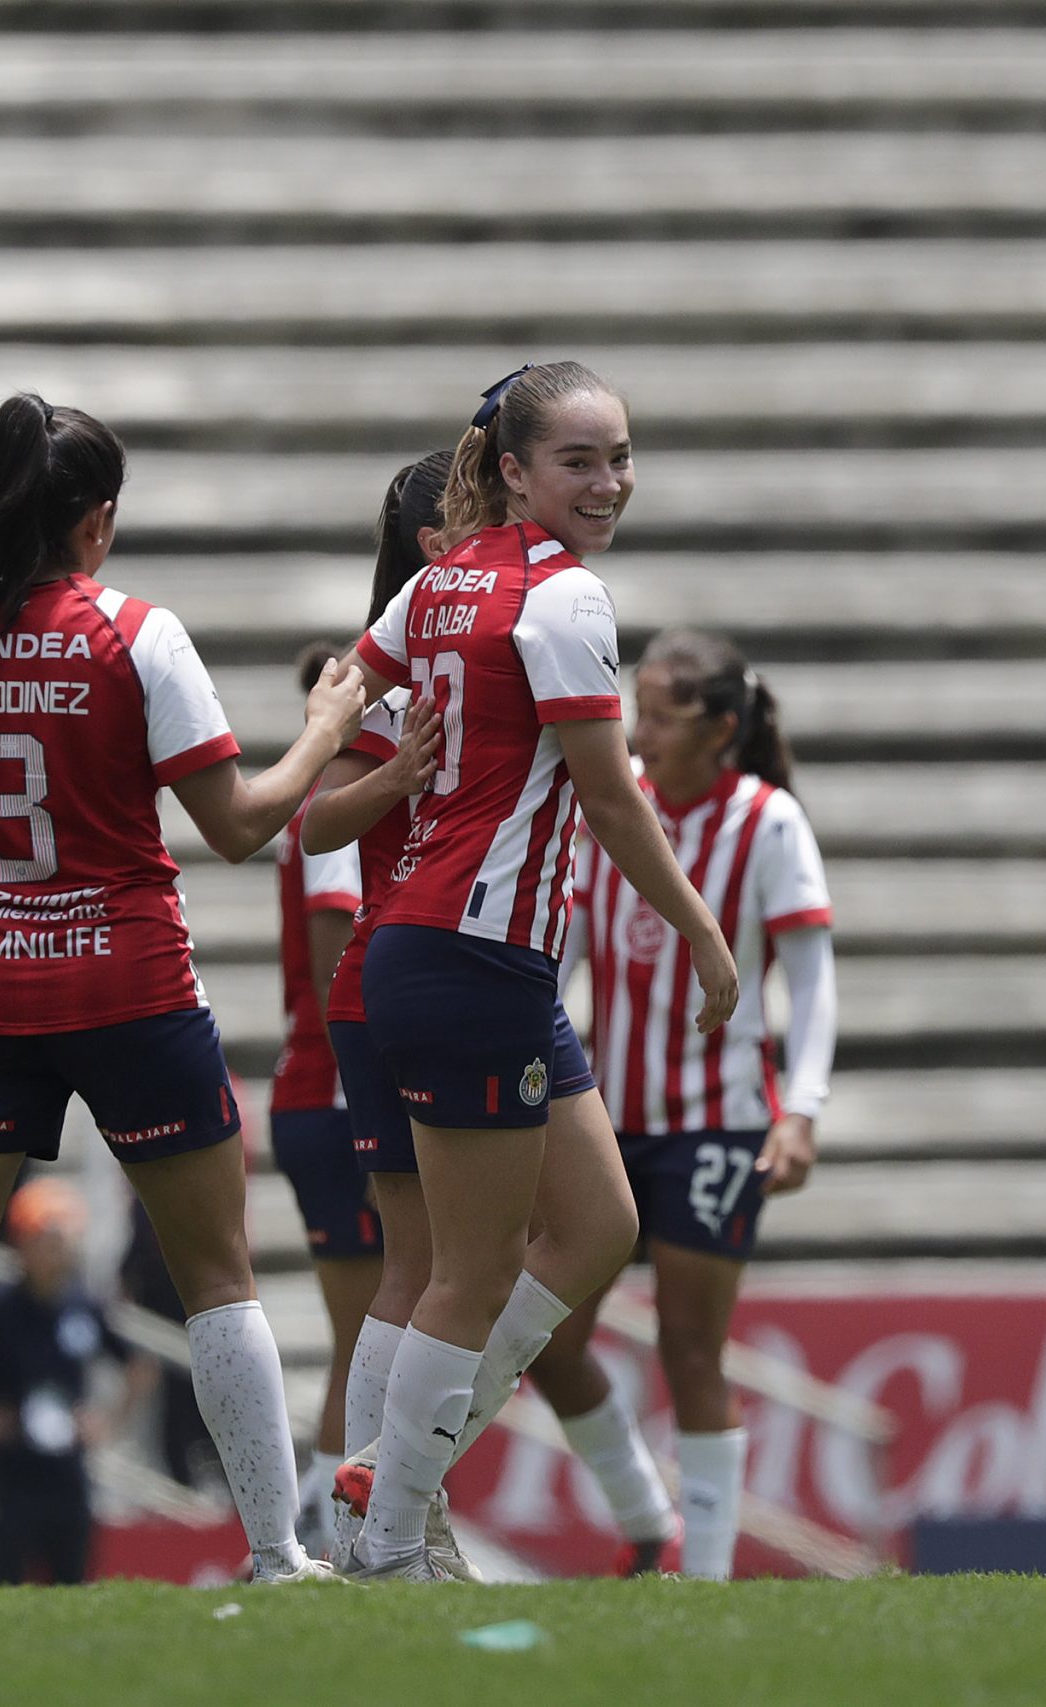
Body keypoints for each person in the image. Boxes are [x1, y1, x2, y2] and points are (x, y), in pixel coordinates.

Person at [0, 394, 361, 1589]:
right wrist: (326, 724)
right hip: (130, 986)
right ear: (97, 523)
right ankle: (277, 1551)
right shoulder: (138, 636)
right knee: (218, 1271)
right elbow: (237, 827)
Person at [332, 362, 738, 1581]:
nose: (607, 482)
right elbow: (612, 800)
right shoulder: (565, 601)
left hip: (457, 953)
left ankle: (393, 1473)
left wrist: (317, 782)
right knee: (466, 1271)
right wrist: (705, 935)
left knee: (600, 1224)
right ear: (511, 470)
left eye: (619, 457)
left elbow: (350, 688)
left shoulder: (436, 587)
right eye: (578, 460)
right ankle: (390, 1532)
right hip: (474, 954)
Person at [526, 627, 836, 1579]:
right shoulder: (611, 805)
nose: (640, 730)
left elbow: (813, 978)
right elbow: (564, 952)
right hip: (608, 1120)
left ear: (722, 728)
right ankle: (646, 1516)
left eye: (661, 714)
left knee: (690, 1346)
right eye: (637, 709)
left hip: (718, 1118)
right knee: (548, 1339)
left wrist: (802, 1110)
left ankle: (704, 1579)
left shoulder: (767, 821)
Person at [296, 451, 451, 1561]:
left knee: (444, 1267)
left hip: (439, 976)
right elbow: (315, 831)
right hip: (411, 983)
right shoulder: (381, 673)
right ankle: (381, 1510)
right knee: (449, 1268)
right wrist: (396, 775)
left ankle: (377, 1516)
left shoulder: (480, 641)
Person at [267, 641, 384, 1549]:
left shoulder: (325, 801)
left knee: (373, 1327)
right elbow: (333, 949)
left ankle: (328, 1516)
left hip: (319, 1090)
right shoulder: (334, 806)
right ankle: (328, 1526)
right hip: (337, 1092)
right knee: (369, 1328)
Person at [0, 1177, 157, 1586]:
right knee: (7, 1583)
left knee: (72, 1581)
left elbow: (139, 1366)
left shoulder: (85, 1306)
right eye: (47, 1237)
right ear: (23, 1243)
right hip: (10, 1469)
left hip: (69, 1472)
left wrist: (106, 1422)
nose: (59, 1248)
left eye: (65, 1237)